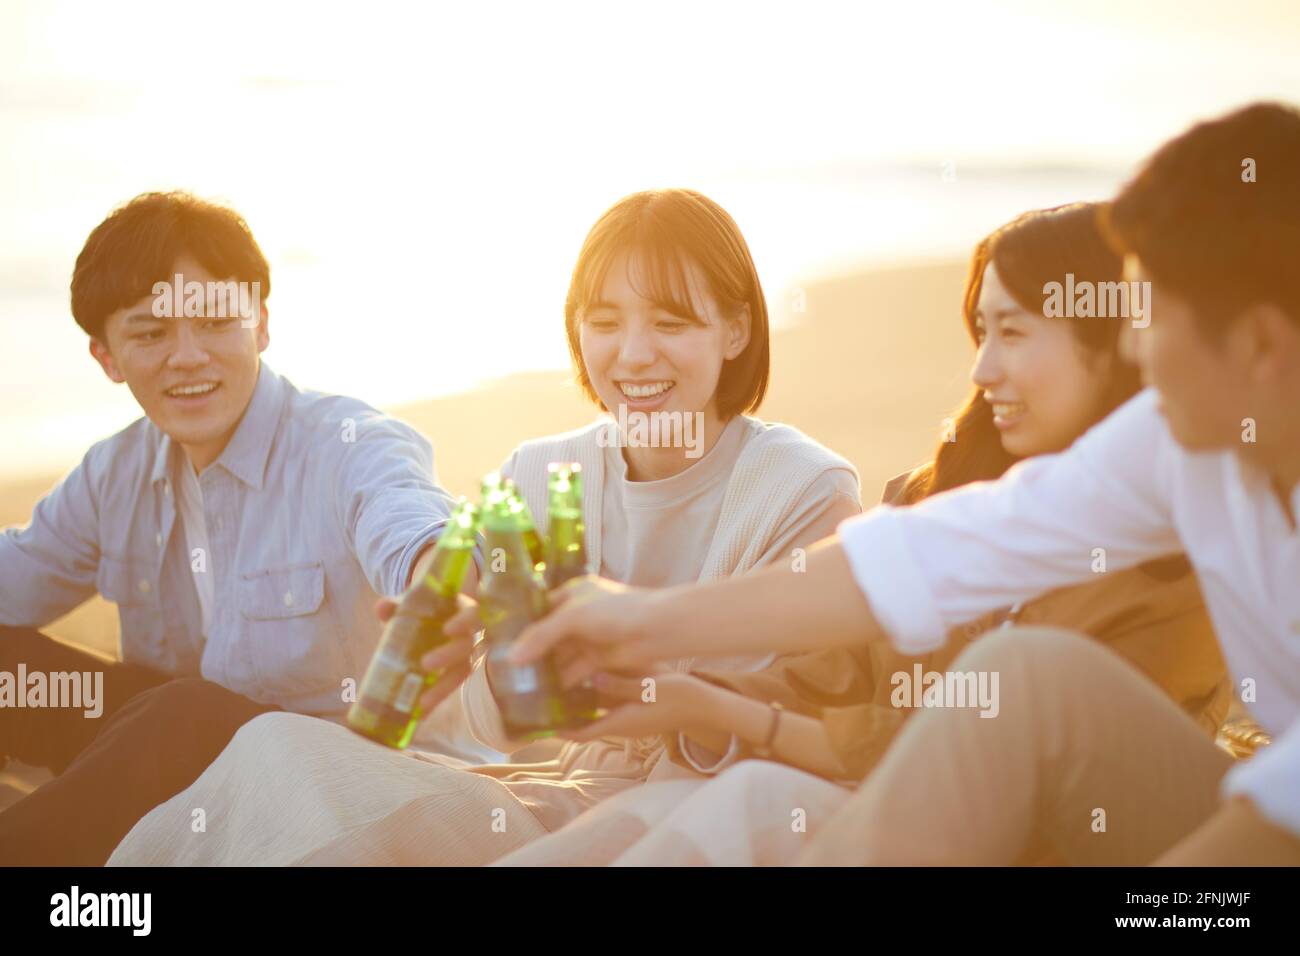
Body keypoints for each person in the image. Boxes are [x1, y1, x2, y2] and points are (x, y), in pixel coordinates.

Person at [507, 102, 1300, 866]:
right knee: (1020, 673)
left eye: (1153, 319)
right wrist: (638, 625)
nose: (1137, 347)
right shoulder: (1180, 447)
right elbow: (928, 554)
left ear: (1260, 343)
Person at [107, 187, 862, 866]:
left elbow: (812, 730)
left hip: (707, 806)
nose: (633, 354)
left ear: (735, 330)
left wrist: (652, 689)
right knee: (277, 751)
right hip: (549, 787)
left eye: (671, 321)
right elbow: (474, 725)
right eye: (604, 322)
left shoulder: (800, 488)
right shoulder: (541, 473)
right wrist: (480, 669)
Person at [0, 191, 461, 865]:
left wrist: (439, 581)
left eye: (216, 321)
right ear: (107, 357)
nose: (187, 356)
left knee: (186, 715)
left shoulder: (348, 442)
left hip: (355, 783)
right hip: (181, 764)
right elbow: (14, 580)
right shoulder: (115, 472)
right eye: (151, 334)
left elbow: (411, 521)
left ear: (261, 324)